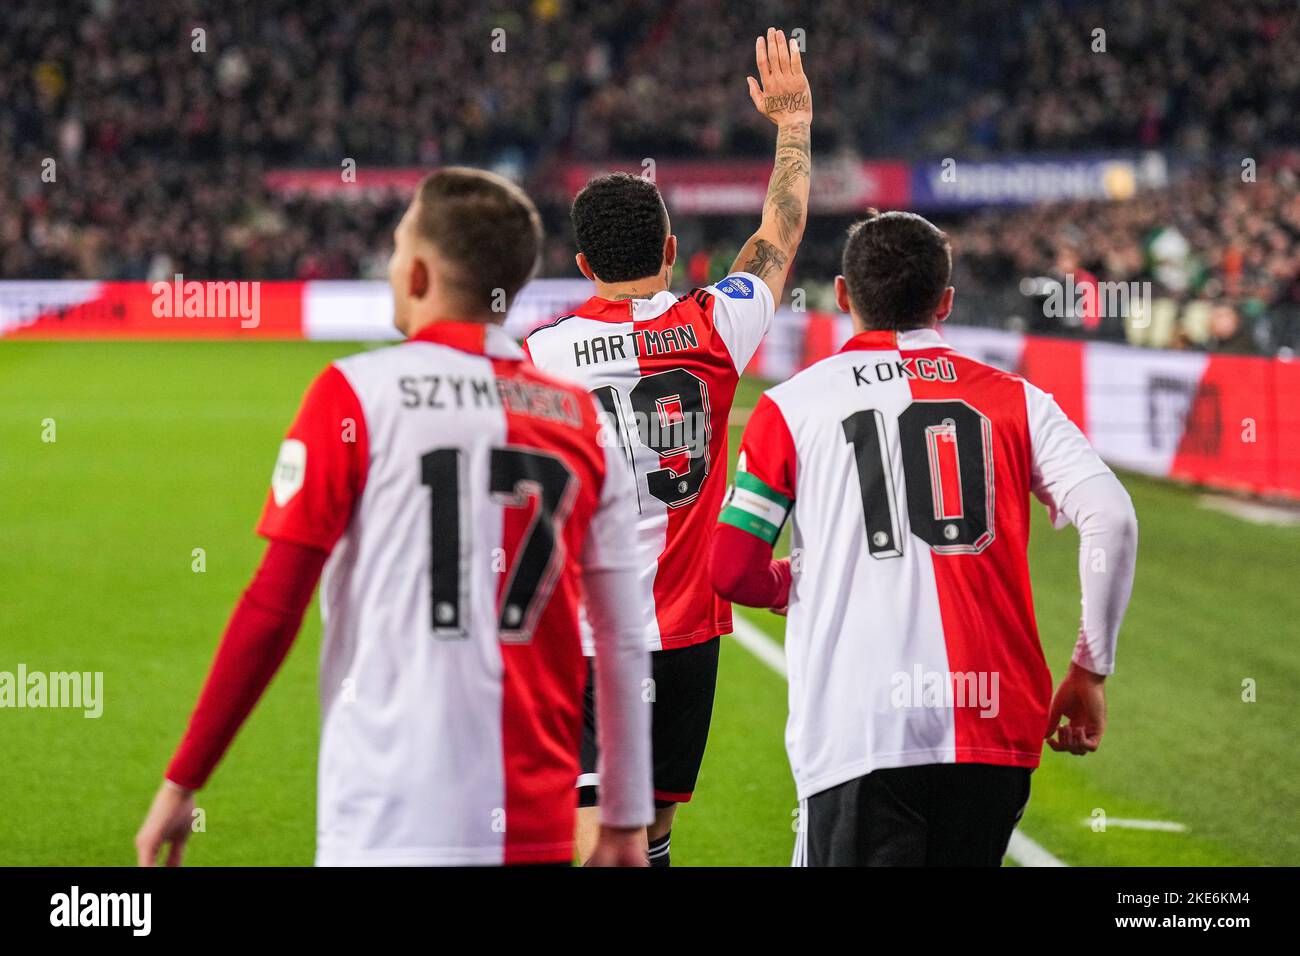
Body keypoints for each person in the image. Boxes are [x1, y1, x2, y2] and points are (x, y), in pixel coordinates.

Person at [135, 168, 652, 867]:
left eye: (395, 248)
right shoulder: (581, 419)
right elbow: (620, 636)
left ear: (416, 276)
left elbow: (272, 604)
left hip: (386, 812)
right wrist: (622, 819)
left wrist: (184, 777)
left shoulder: (352, 395)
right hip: (532, 816)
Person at [712, 209, 1138, 866]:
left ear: (845, 295)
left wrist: (788, 581)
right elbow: (1112, 519)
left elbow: (731, 568)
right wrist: (1089, 668)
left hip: (862, 725)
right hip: (993, 720)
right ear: (944, 303)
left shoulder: (791, 406)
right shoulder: (1018, 400)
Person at [524, 28, 813, 866]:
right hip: (685, 635)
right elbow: (781, 228)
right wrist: (791, 126)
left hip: (580, 630)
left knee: (583, 826)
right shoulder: (714, 326)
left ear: (582, 263)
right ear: (671, 251)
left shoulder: (538, 355)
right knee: (652, 833)